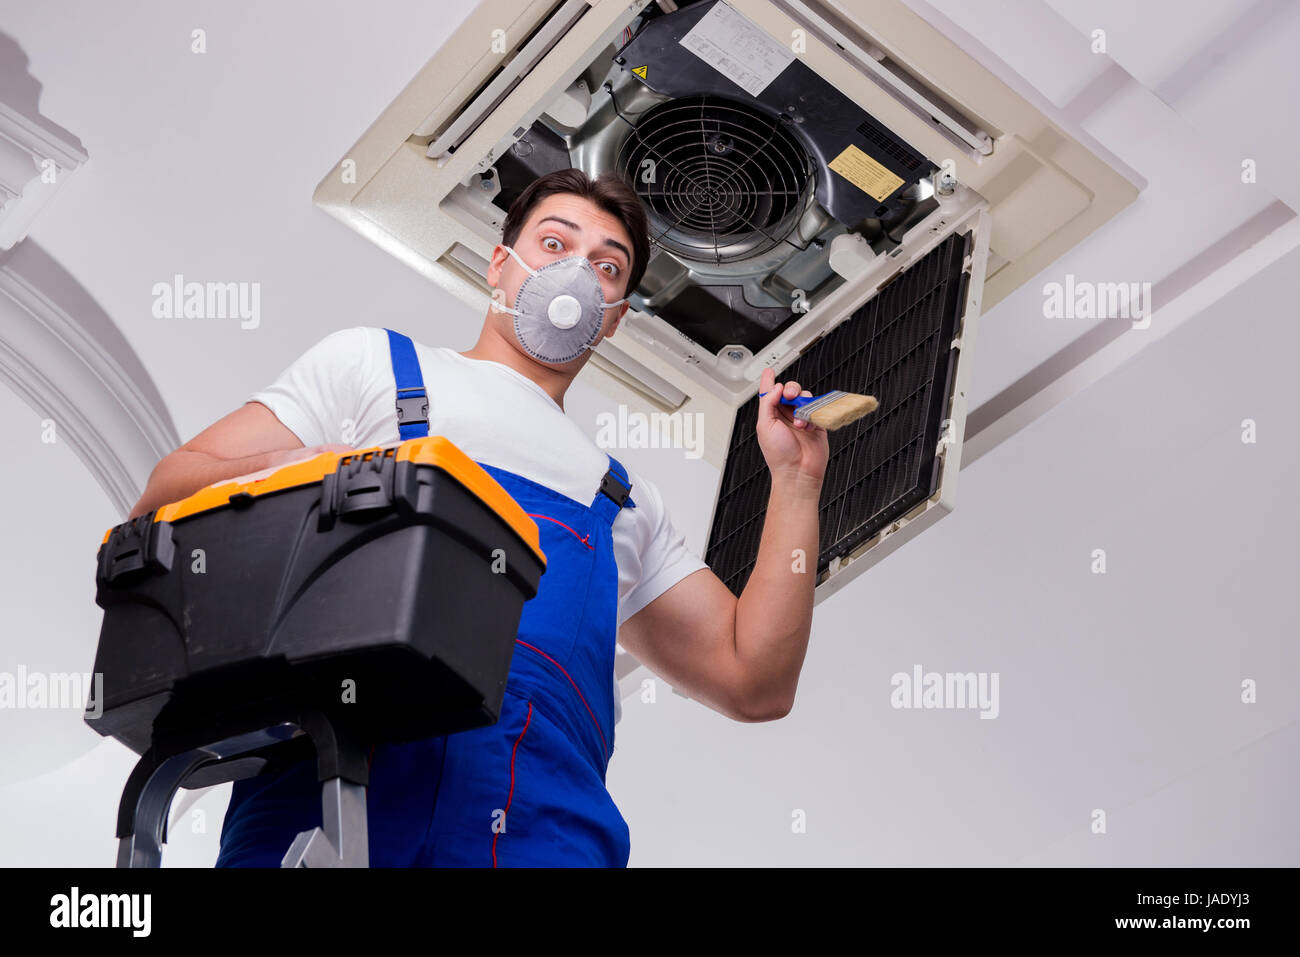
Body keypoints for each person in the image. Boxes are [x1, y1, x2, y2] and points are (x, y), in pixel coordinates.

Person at [128, 168, 829, 867]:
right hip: (334, 791)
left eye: (606, 267)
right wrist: (325, 469)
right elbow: (166, 496)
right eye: (555, 244)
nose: (577, 275)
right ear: (500, 265)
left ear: (615, 317)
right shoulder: (374, 368)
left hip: (540, 827)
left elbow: (755, 679)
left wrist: (795, 484)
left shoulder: (625, 502)